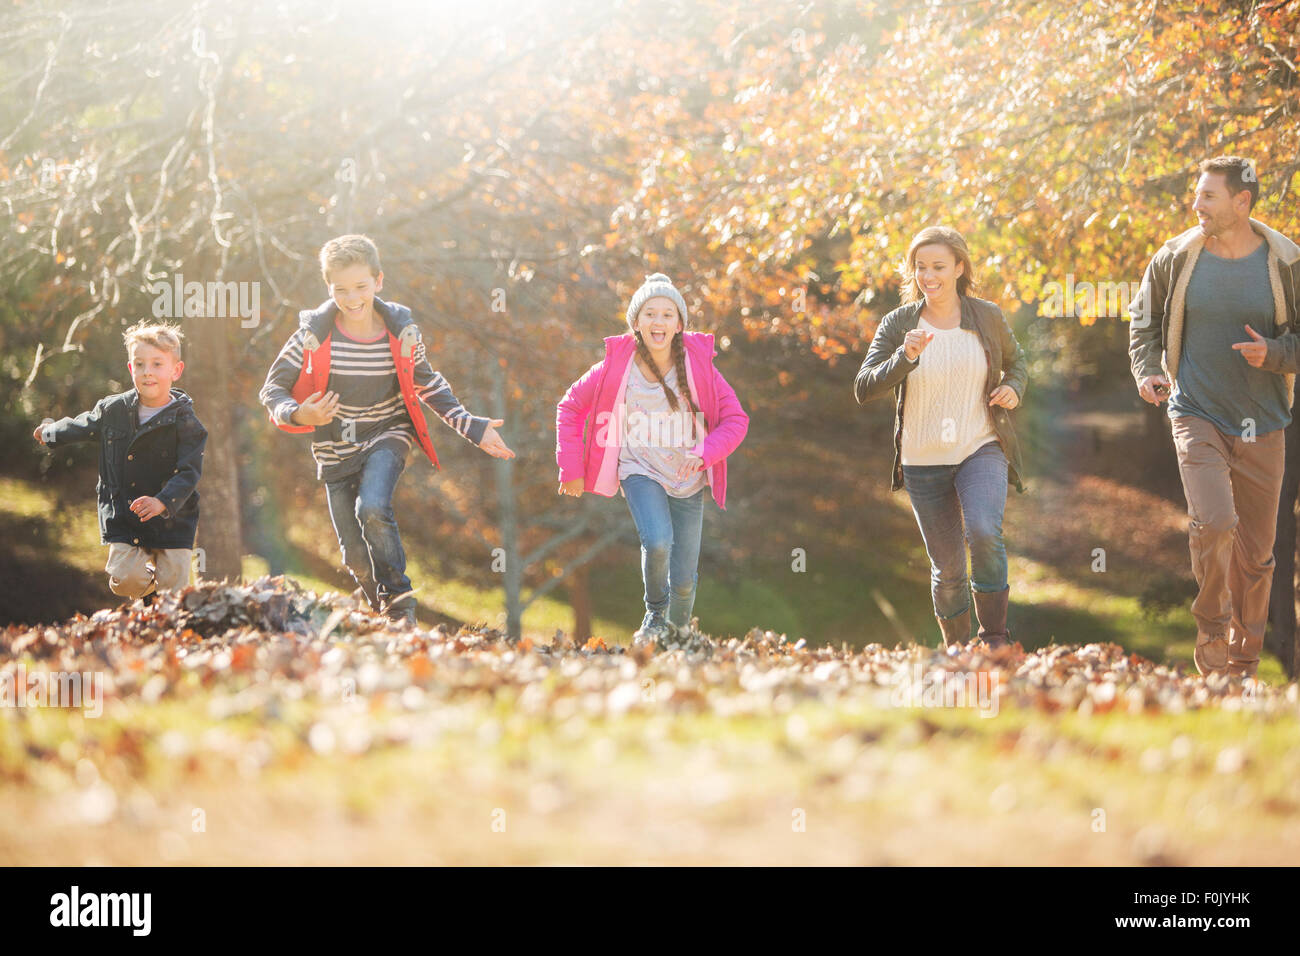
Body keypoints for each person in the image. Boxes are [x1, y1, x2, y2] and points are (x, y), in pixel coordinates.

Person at [259, 234, 515, 625]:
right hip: (334, 450)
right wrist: (298, 414)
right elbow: (272, 389)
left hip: (387, 434)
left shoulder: (401, 332)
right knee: (355, 559)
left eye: (361, 286)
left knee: (373, 507)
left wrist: (473, 427)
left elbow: (428, 383)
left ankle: (400, 604)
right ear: (329, 287)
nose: (352, 297)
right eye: (340, 289)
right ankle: (379, 614)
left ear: (379, 281)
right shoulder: (313, 335)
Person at [1129, 156, 1300, 678]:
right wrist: (1146, 371)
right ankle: (1211, 633)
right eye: (1197, 194)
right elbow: (1143, 323)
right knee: (1215, 520)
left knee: (1257, 554)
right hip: (1195, 412)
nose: (1196, 205)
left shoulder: (1285, 263)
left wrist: (1272, 354)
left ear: (1241, 202)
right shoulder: (1176, 258)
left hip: (1263, 423)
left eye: (1208, 196)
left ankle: (1242, 664)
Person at [855, 226, 1028, 648]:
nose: (928, 276)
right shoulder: (899, 323)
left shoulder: (986, 316)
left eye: (938, 267)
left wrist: (1014, 388)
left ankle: (994, 642)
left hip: (979, 446)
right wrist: (905, 356)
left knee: (985, 532)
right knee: (948, 570)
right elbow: (864, 387)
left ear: (959, 268)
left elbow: (1017, 362)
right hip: (922, 459)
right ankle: (957, 649)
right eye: (920, 268)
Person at [555, 273, 749, 645]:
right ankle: (654, 615)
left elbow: (736, 420)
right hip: (638, 469)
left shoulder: (700, 367)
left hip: (688, 478)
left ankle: (677, 636)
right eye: (649, 314)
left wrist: (704, 454)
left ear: (679, 325)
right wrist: (571, 467)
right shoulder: (616, 366)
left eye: (666, 314)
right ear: (636, 322)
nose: (657, 321)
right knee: (658, 541)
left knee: (685, 580)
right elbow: (570, 406)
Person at [33, 320, 206, 601]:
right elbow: (82, 425)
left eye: (157, 364)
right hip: (126, 516)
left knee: (175, 596)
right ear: (130, 368)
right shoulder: (113, 410)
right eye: (139, 364)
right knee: (124, 580)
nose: (147, 372)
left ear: (176, 370)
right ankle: (151, 594)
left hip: (173, 519)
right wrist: (51, 432)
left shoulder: (187, 424)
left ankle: (168, 626)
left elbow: (188, 473)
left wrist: (162, 501)